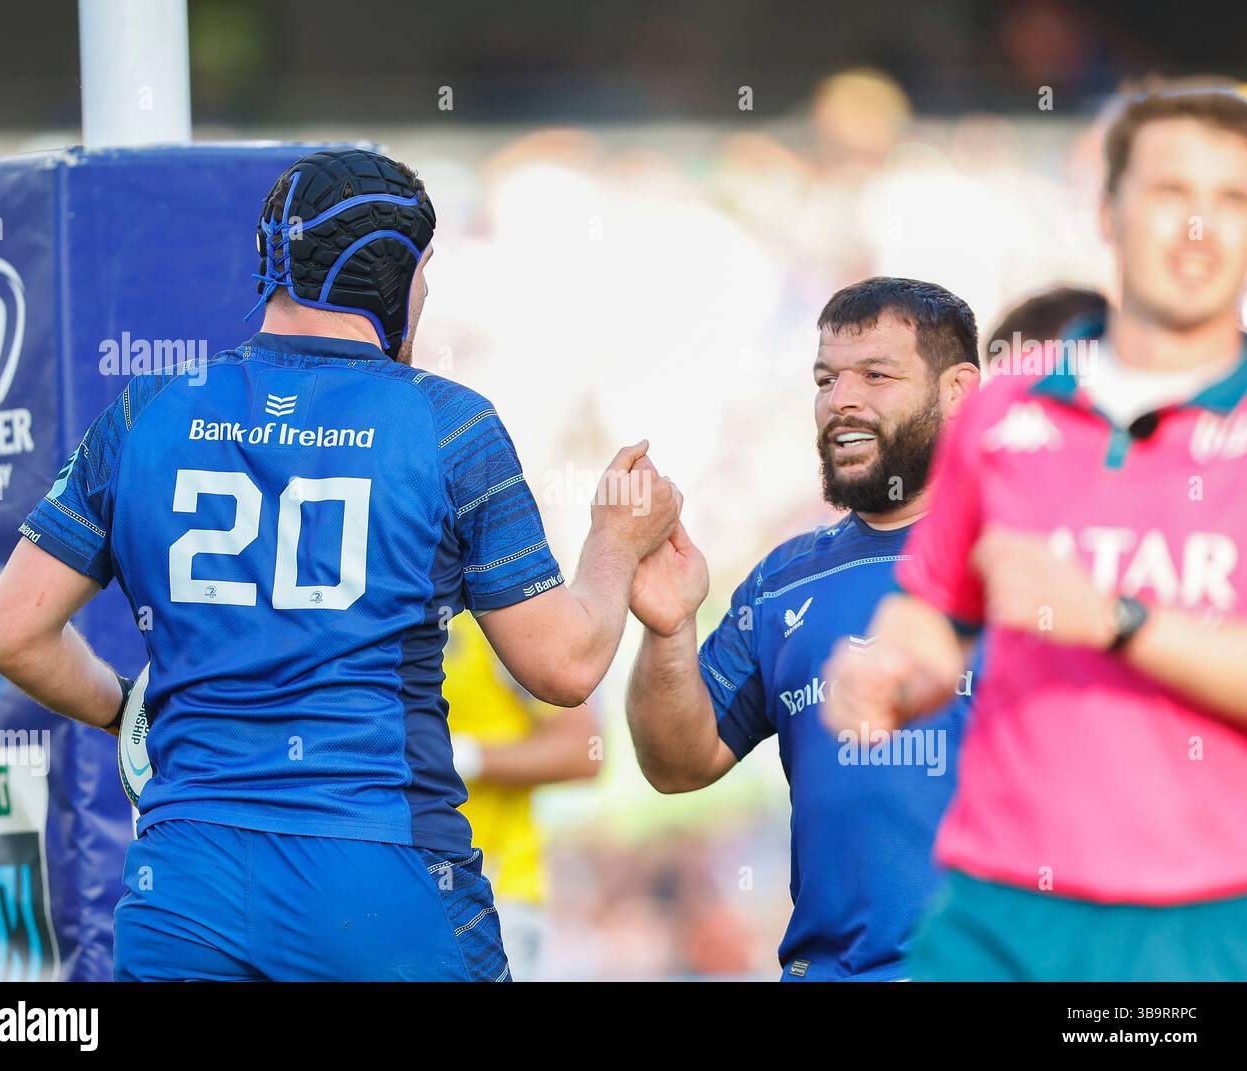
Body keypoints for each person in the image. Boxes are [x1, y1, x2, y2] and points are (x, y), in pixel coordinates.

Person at [0, 148, 679, 981]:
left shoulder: (148, 408)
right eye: (426, 275)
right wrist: (613, 543)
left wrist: (125, 710)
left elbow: (11, 632)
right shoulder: (447, 422)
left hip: (183, 885)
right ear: (400, 273)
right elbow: (564, 665)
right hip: (381, 881)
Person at [823, 78, 1247, 981]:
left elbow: (1094, 614)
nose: (1200, 230)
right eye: (1172, 193)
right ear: (1109, 210)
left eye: (1233, 199)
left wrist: (1119, 621)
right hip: (997, 908)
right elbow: (934, 606)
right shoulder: (1009, 406)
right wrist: (894, 666)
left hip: (1203, 919)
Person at [625, 276, 981, 980]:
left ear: (958, 392)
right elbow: (678, 762)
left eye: (876, 375)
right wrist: (669, 629)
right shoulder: (782, 580)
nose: (840, 400)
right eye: (826, 378)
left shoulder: (1027, 558)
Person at [443, 613, 600, 981]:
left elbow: (585, 749)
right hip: (388, 883)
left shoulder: (496, 614)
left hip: (495, 890)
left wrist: (463, 756)